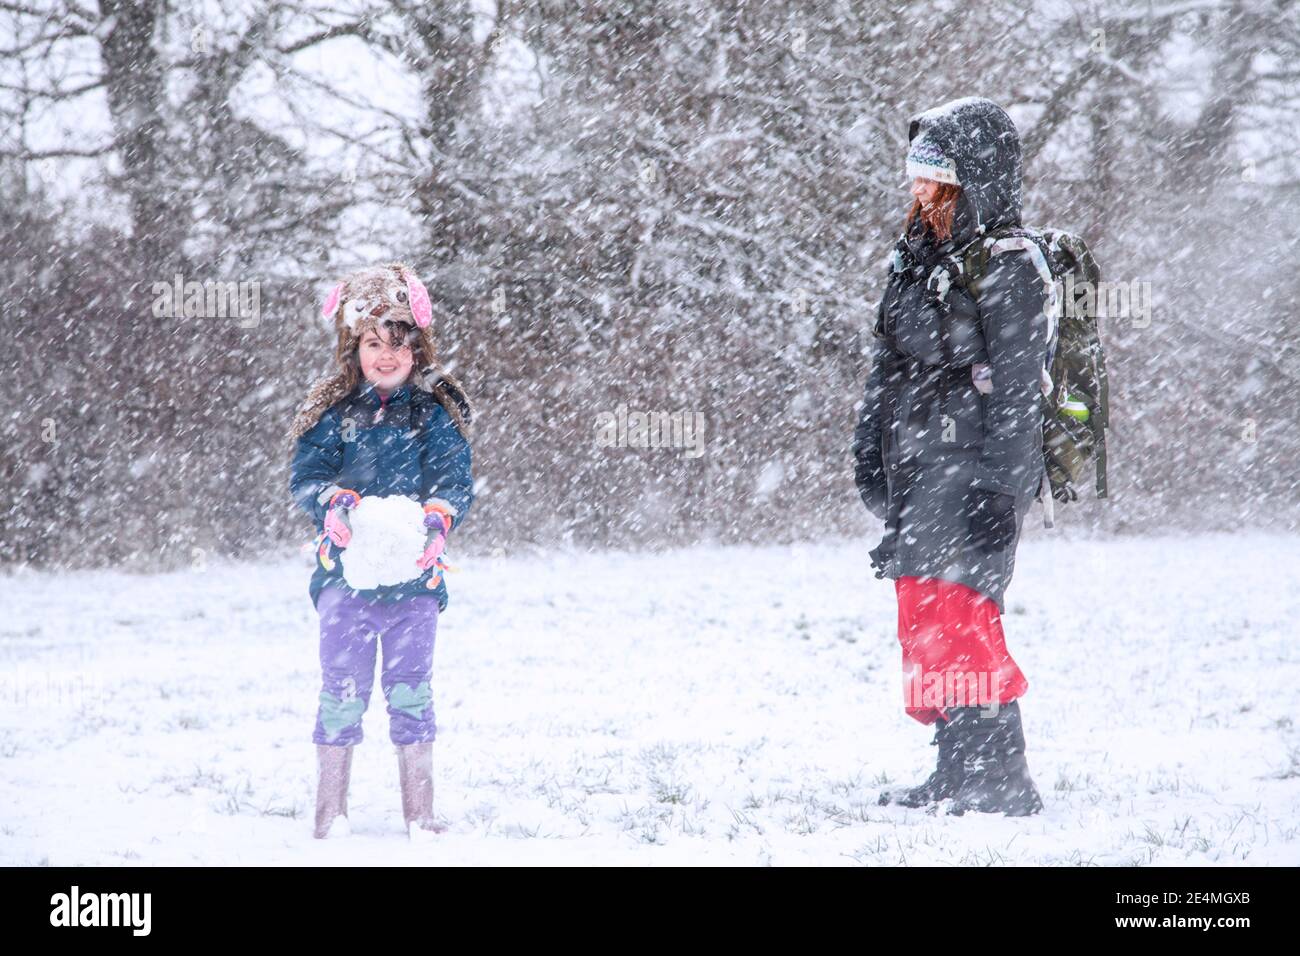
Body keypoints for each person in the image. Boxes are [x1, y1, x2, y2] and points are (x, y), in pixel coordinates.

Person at [852, 97, 1048, 816]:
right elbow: (887, 363)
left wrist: (1003, 489)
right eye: (916, 176)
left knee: (965, 616)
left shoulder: (1010, 265)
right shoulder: (914, 257)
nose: (920, 191)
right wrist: (868, 452)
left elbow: (1021, 390)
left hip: (972, 468)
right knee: (927, 617)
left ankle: (1000, 778)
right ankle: (957, 768)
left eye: (936, 179)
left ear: (975, 183)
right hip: (918, 467)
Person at [289, 262, 474, 839]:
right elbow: (307, 474)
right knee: (342, 691)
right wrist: (331, 502)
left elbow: (453, 478)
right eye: (374, 342)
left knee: (412, 690)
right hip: (346, 583)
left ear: (417, 349)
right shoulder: (335, 415)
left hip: (415, 584)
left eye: (399, 342)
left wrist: (441, 518)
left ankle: (419, 815)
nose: (387, 355)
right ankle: (330, 815)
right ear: (354, 347)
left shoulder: (432, 417)